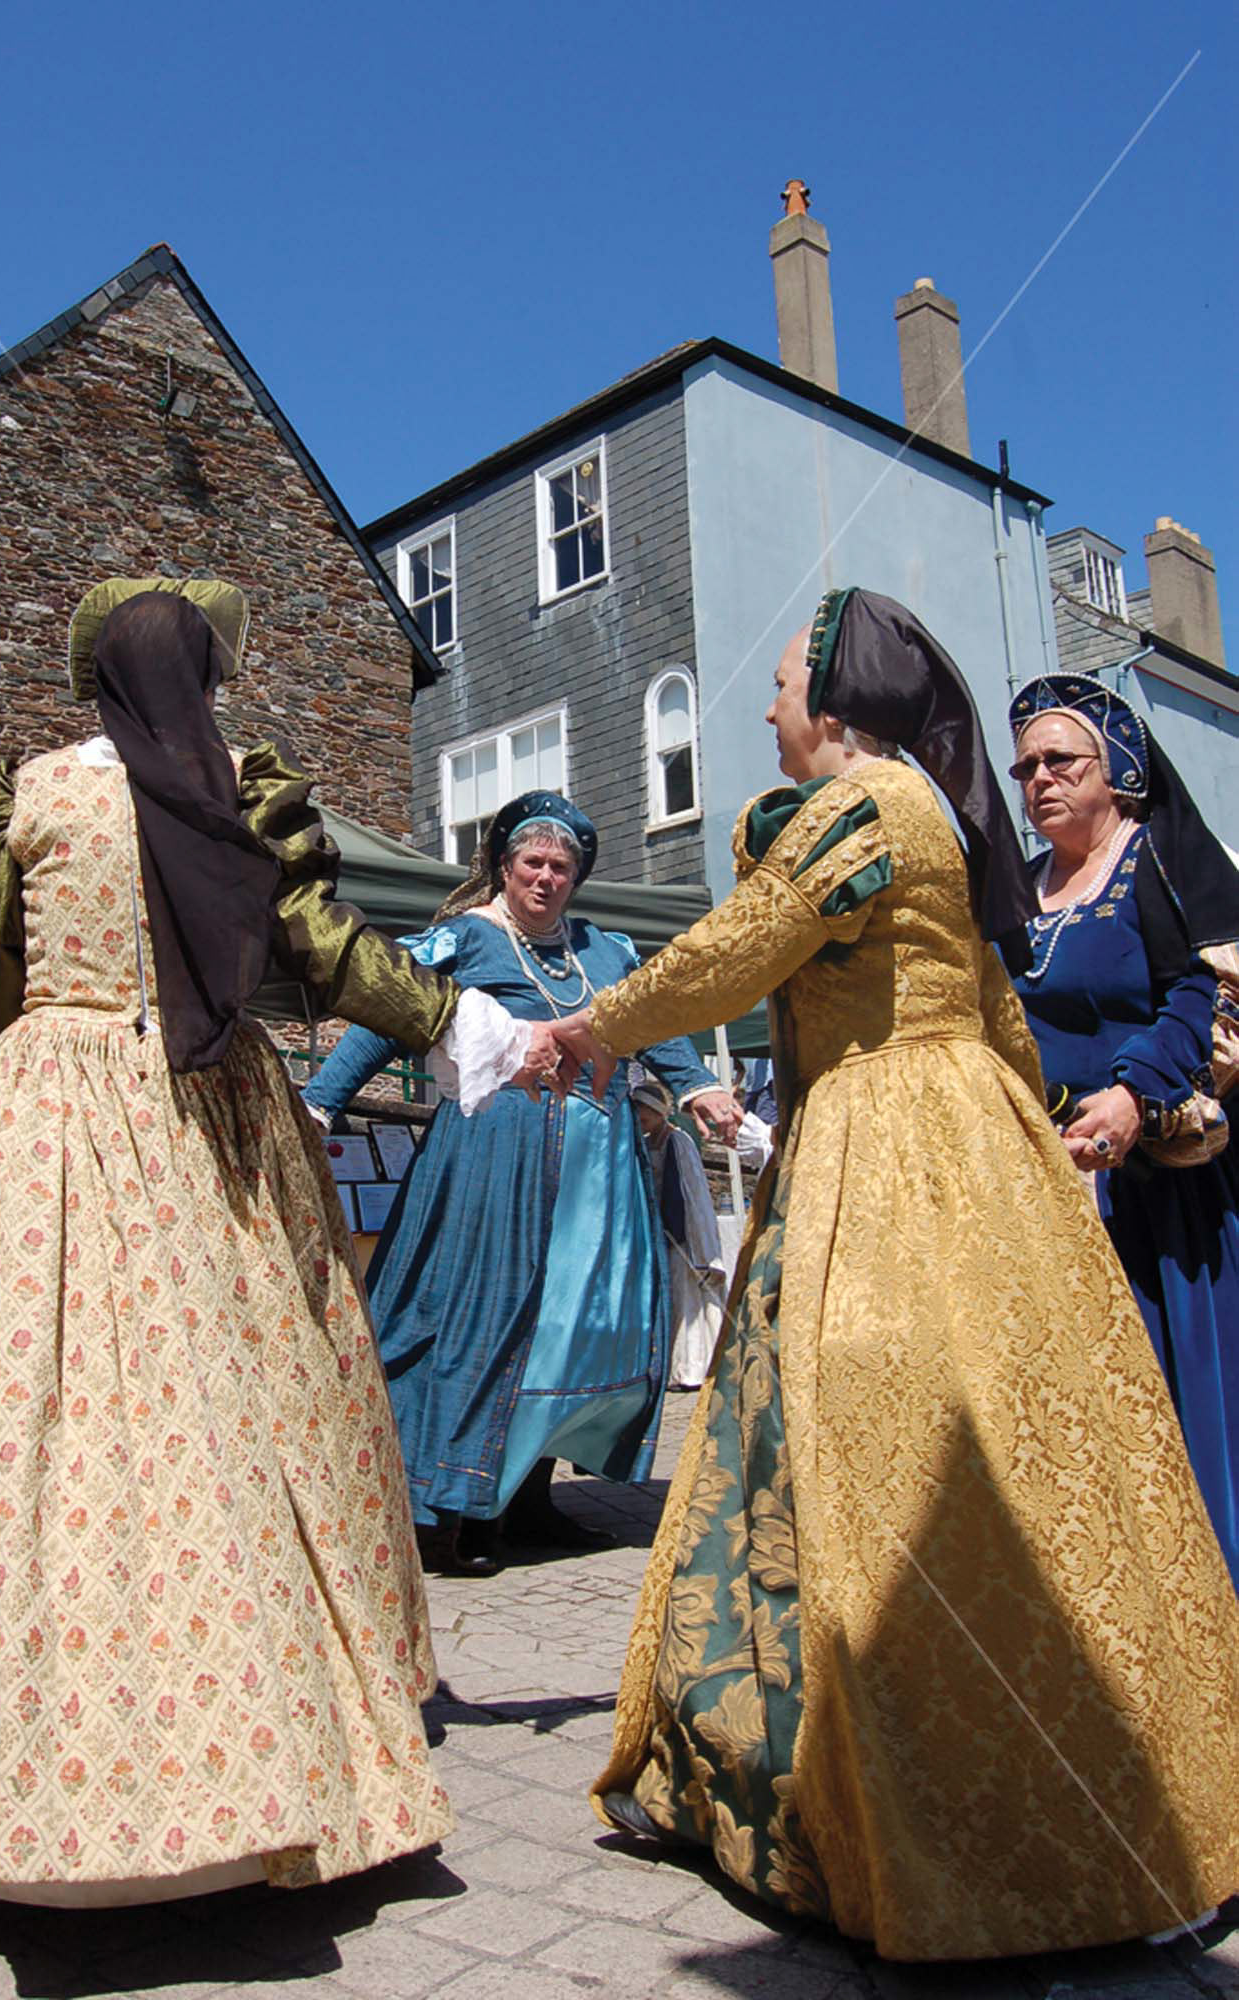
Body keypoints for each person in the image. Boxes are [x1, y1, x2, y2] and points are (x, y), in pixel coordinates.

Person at [0, 578, 554, 1907]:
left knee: (27, 1407)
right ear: (202, 671)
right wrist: (468, 1027)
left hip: (46, 1108)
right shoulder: (237, 782)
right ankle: (244, 1755)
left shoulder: (34, 792)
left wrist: (58, 1028)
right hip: (202, 1109)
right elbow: (308, 939)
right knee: (231, 1402)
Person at [552, 588, 1239, 1961]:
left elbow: (740, 948)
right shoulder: (936, 814)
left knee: (884, 1447)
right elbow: (1000, 1015)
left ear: (838, 696)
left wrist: (592, 1026)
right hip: (953, 1134)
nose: (765, 706)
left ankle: (960, 1812)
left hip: (889, 1145)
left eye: (783, 681)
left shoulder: (868, 805)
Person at [302, 792, 741, 1576]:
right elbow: (383, 1013)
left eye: (560, 867)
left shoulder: (607, 953)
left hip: (598, 1183)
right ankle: (452, 1512)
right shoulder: (466, 939)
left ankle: (532, 1497)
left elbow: (652, 1024)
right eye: (532, 864)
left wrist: (700, 1084)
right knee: (483, 1319)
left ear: (577, 877)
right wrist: (323, 1099)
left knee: (574, 1328)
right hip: (492, 1164)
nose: (546, 878)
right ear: (503, 868)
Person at [1006, 674, 1239, 1589]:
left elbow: (1206, 986)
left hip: (1158, 1187)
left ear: (1119, 772)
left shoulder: (1153, 859)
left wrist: (1137, 1093)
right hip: (1047, 1186)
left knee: (1169, 1403)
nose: (1037, 780)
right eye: (1024, 767)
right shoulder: (1019, 890)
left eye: (1059, 761)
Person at [630, 1076, 728, 1389]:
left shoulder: (678, 1142)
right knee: (669, 1302)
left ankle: (693, 1368)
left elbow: (692, 1195)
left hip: (682, 1233)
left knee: (688, 1302)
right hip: (660, 1231)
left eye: (645, 1116)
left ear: (659, 1113)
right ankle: (672, 1366)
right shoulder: (646, 1143)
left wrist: (698, 1246)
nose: (641, 1122)